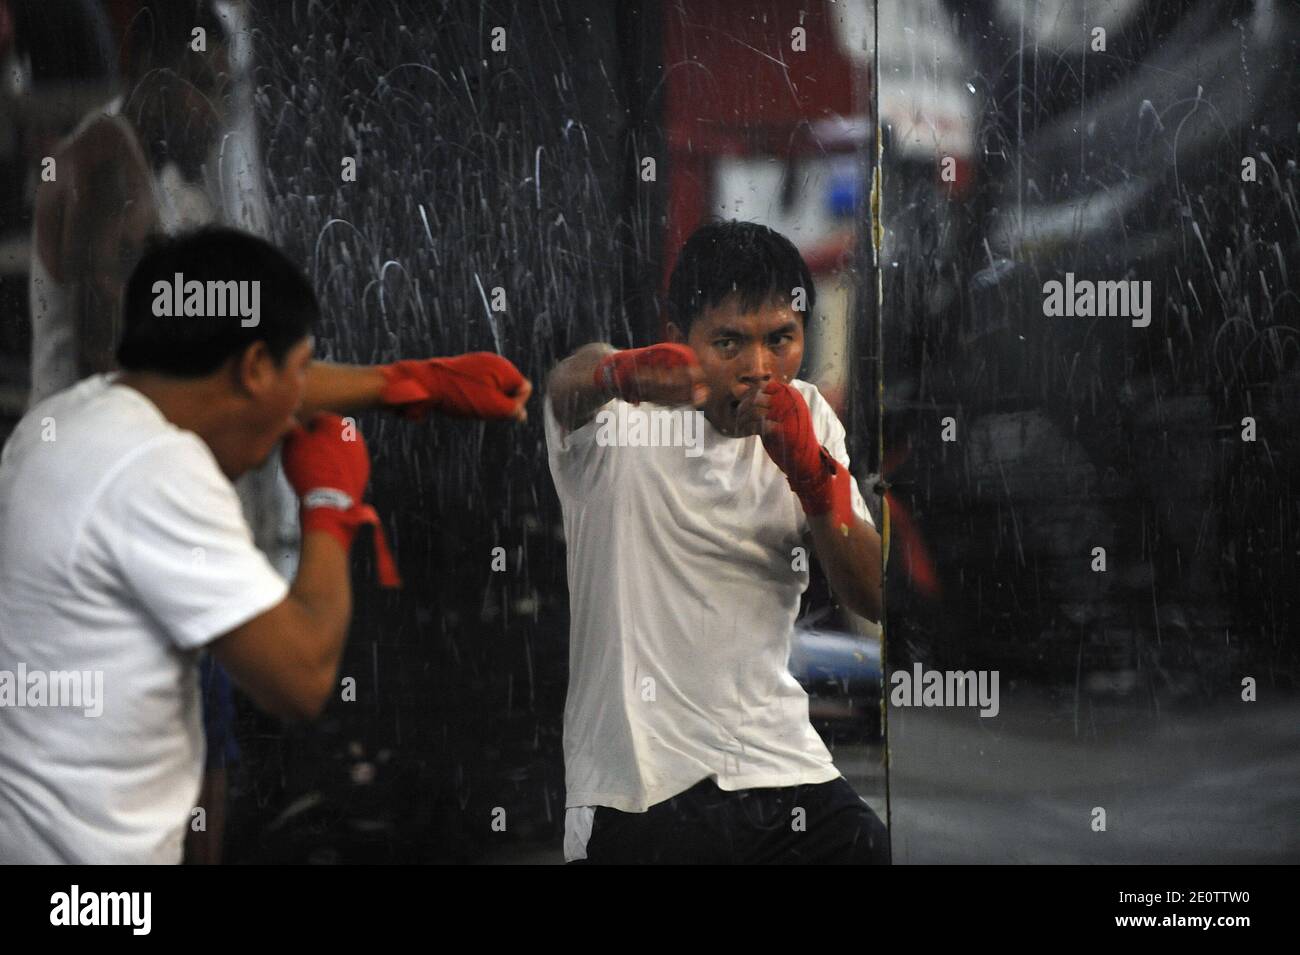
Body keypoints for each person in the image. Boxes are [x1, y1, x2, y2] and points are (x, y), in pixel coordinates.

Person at [0, 227, 530, 863]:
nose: (298, 402)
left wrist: (407, 382)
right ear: (252, 366)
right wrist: (331, 505)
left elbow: (267, 387)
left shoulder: (74, 419)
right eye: (301, 366)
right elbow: (300, 680)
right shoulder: (157, 474)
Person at [545, 219, 887, 864]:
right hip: (642, 781)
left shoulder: (809, 414)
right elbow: (566, 385)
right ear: (680, 340)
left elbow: (872, 594)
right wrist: (620, 373)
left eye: (780, 340)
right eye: (729, 343)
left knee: (865, 846)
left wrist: (815, 479)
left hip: (779, 762)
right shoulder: (616, 424)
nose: (759, 370)